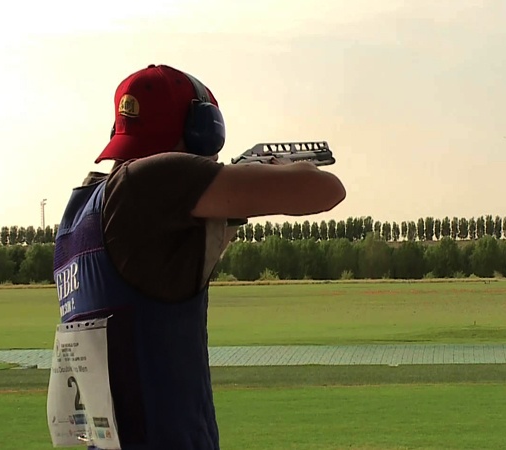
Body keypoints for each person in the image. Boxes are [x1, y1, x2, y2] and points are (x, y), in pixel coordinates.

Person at [48, 64, 346, 450]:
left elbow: (169, 274)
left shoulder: (81, 215)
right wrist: (287, 170)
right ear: (201, 128)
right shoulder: (146, 184)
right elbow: (323, 190)